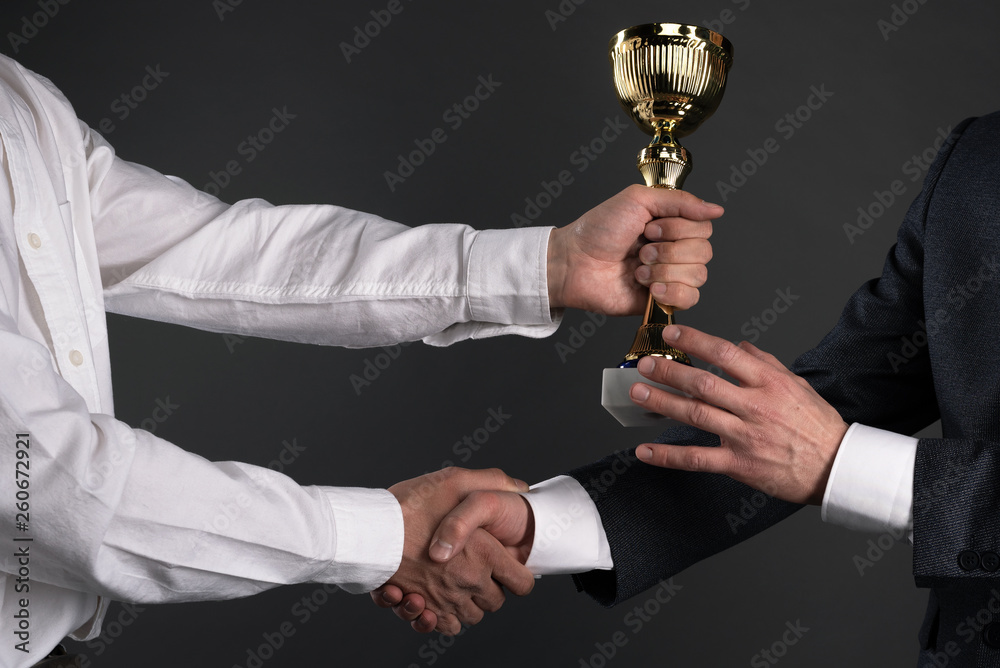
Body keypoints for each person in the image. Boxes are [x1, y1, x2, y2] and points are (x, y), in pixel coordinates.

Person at [0, 53, 722, 667]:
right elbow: (45, 477)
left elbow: (227, 255)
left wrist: (548, 265)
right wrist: (383, 536)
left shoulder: (20, 100)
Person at [380, 111, 1000, 666]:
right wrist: (543, 521)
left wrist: (844, 464)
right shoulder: (980, 157)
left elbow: (819, 445)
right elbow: (837, 397)